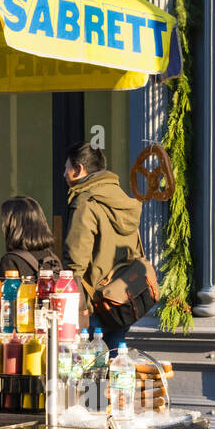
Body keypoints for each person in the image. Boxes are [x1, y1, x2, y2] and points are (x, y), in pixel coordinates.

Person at [61, 142, 143, 352]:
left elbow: (76, 260)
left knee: (90, 373)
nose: (64, 174)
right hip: (123, 299)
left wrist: (74, 306)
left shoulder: (86, 201)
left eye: (66, 168)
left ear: (79, 169)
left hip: (95, 303)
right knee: (116, 364)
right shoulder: (120, 197)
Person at [0, 196, 62, 279]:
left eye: (4, 222)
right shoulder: (52, 259)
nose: (2, 226)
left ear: (14, 227)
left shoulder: (10, 261)